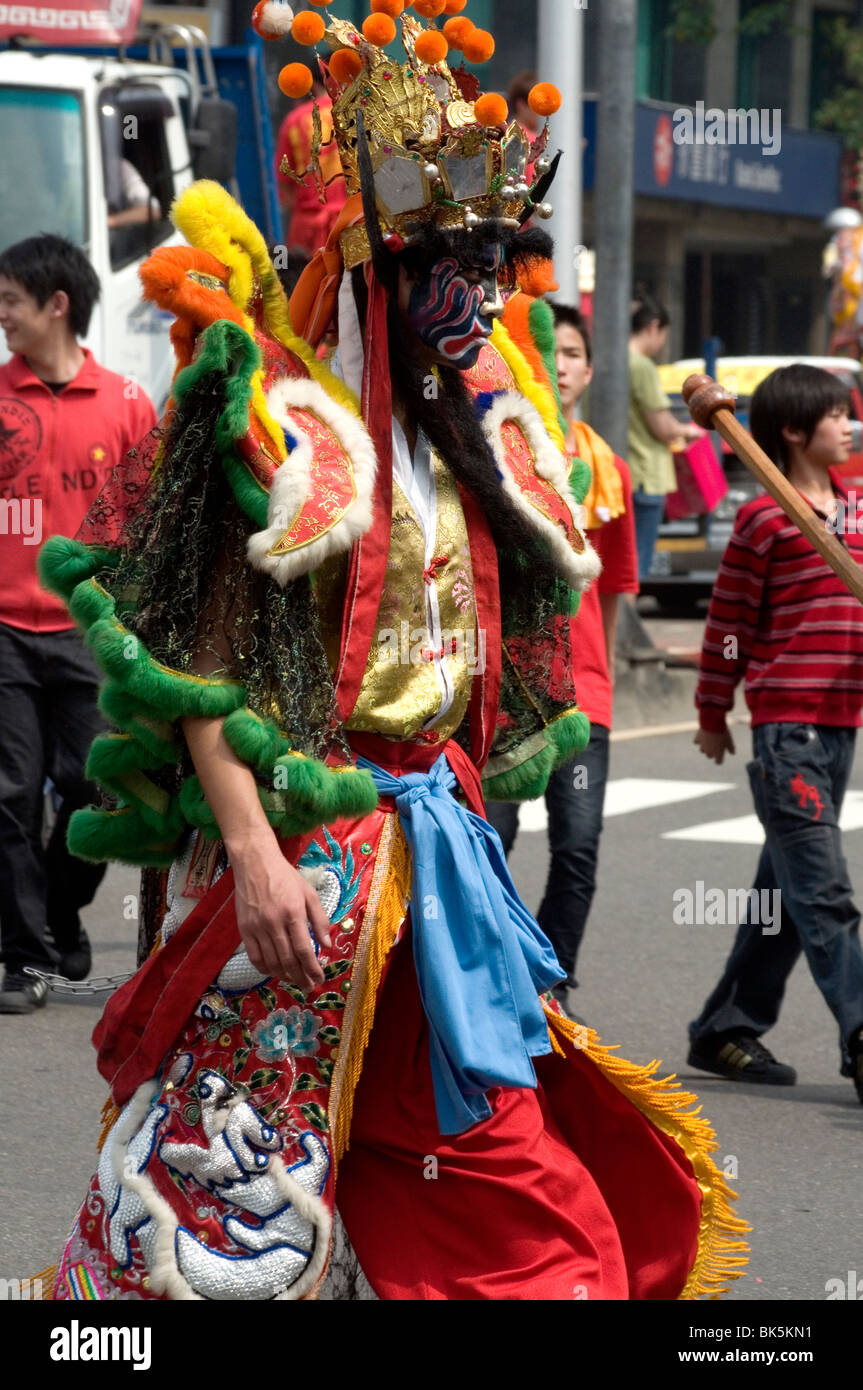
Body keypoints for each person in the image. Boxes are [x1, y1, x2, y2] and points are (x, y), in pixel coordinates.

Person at [35, 6, 745, 1301]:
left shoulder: (489, 444)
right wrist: (250, 853)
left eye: (485, 270)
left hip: (439, 868)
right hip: (308, 865)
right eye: (441, 268)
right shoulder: (281, 431)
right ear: (373, 273)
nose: (470, 299)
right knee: (222, 1218)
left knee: (505, 1184)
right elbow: (206, 667)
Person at [688, 364, 863, 1103]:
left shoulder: (855, 513)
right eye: (835, 415)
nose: (848, 425)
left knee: (789, 891)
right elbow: (728, 623)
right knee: (822, 892)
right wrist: (711, 709)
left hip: (838, 727)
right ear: (793, 431)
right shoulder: (766, 519)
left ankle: (726, 1027)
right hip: (785, 730)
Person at [0, 234, 157, 1014]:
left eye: (10, 302)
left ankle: (61, 908)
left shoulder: (129, 405)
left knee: (95, 789)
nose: (2, 316)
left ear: (56, 306)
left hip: (91, 633)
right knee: (9, 794)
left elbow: (153, 530)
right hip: (3, 631)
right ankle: (23, 957)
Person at [486, 305, 638, 1016]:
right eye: (554, 353)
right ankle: (489, 974)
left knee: (578, 848)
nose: (565, 364)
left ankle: (551, 984)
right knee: (493, 840)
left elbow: (611, 591)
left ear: (589, 367)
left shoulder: (607, 467)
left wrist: (594, 671)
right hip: (512, 697)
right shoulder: (496, 454)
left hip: (584, 695)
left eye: (577, 352)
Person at [627, 295, 700, 579]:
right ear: (653, 327)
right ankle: (626, 623)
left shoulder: (612, 360)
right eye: (664, 335)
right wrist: (687, 430)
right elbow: (663, 426)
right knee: (637, 567)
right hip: (646, 476)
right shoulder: (641, 366)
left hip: (622, 474)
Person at [275, 77, 347, 257]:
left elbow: (284, 183)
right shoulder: (354, 112)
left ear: (314, 84)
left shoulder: (294, 119)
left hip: (309, 229)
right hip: (354, 222)